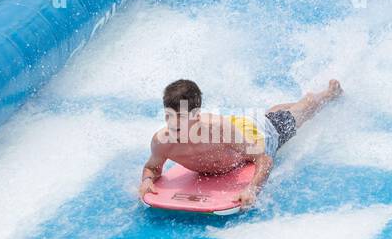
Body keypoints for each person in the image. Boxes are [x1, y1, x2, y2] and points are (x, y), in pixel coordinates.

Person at [139, 78, 343, 210]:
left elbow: (264, 158)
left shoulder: (219, 131)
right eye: (169, 117)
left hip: (259, 133)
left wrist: (252, 189)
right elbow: (152, 167)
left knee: (298, 115)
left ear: (196, 115)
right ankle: (287, 108)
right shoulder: (162, 141)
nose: (174, 125)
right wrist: (147, 180)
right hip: (239, 131)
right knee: (271, 115)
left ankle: (325, 95)